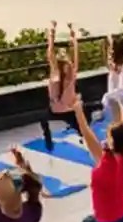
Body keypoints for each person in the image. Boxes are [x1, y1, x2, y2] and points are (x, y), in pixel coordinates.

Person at [39, 21, 96, 150]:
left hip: (55, 109)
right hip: (70, 110)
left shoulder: (55, 73)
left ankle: (48, 140)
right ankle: (85, 136)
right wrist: (73, 36)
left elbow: (50, 52)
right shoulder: (72, 73)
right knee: (85, 117)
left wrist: (52, 33)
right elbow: (76, 54)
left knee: (43, 119)